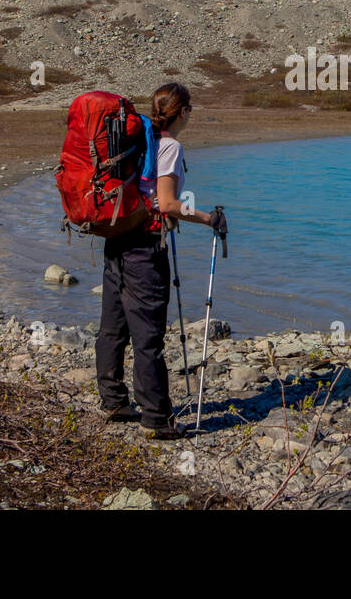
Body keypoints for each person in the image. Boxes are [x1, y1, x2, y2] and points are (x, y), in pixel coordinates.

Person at [95, 82, 228, 439]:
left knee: (113, 326)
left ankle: (113, 401)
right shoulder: (168, 146)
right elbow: (166, 203)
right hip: (144, 249)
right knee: (148, 336)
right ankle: (156, 418)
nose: (191, 114)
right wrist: (206, 218)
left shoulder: (135, 139)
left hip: (117, 236)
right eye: (190, 109)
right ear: (182, 111)